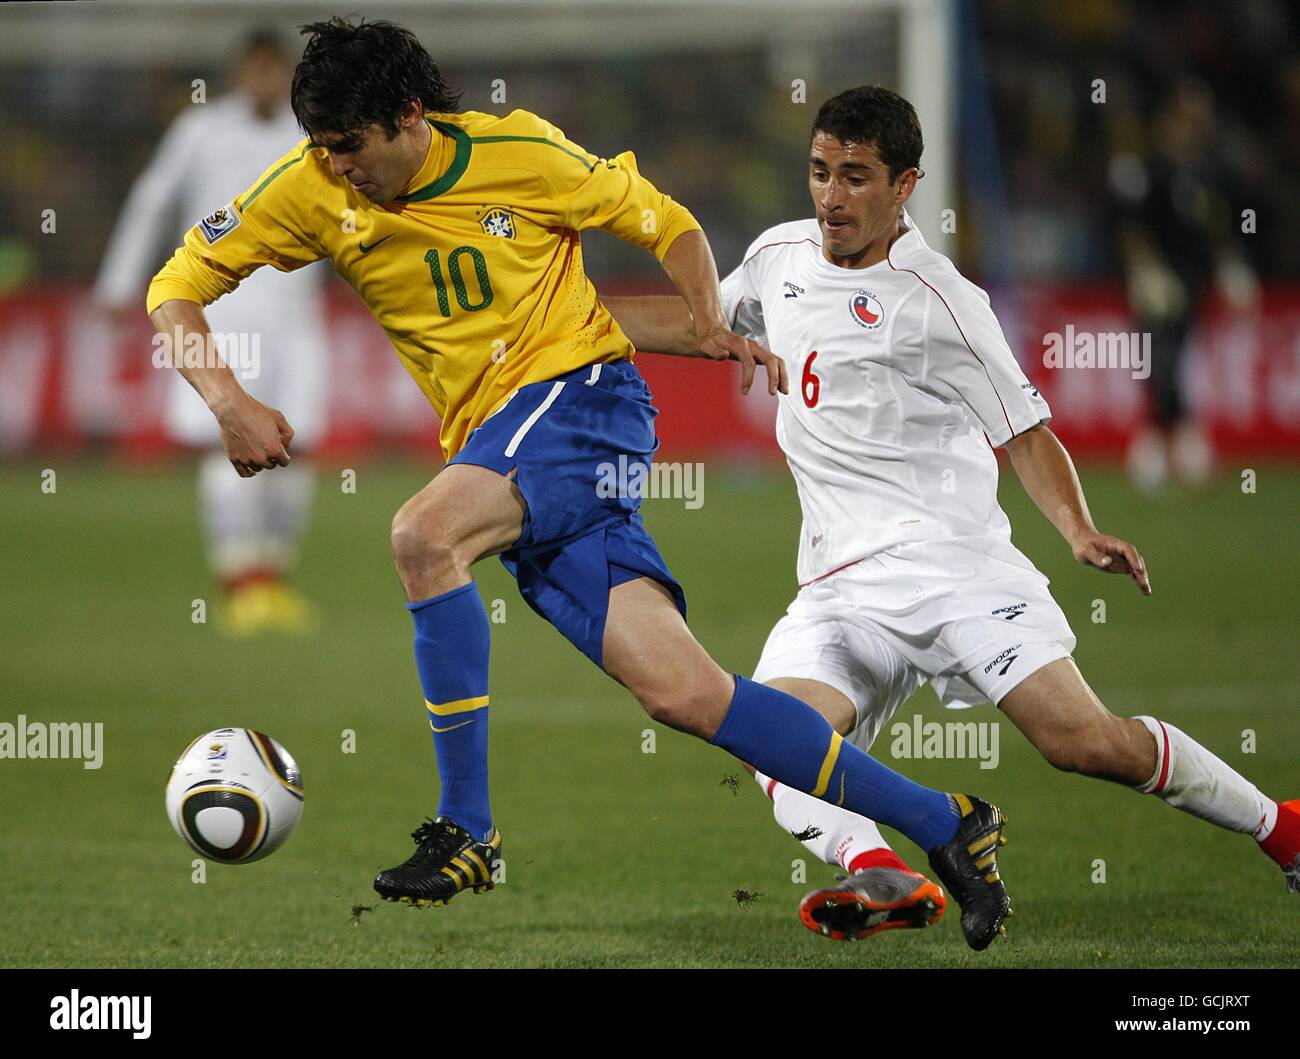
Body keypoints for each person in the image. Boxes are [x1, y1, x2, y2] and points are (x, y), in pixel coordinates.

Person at [145, 19, 1014, 951]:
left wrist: (703, 315)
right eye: (320, 147)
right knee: (687, 693)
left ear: (407, 116)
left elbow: (665, 221)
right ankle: (947, 820)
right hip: (505, 441)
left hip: (581, 398)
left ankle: (467, 827)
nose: (336, 167)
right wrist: (226, 396)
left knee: (421, 536)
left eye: (349, 147)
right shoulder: (311, 187)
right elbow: (174, 286)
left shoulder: (520, 152)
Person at [606, 85, 1298, 943]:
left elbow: (1025, 429)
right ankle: (880, 871)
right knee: (772, 734)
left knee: (1083, 742)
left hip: (953, 568)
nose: (831, 195)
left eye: (855, 177)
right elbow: (702, 323)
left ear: (905, 186)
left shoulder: (939, 300)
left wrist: (1079, 530)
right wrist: (568, 321)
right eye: (820, 172)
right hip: (836, 587)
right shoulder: (781, 255)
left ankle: (1281, 827)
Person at [96, 28, 327, 635]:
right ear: (237, 73)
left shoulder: (310, 133)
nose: (265, 82)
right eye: (255, 70)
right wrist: (120, 286)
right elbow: (153, 200)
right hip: (221, 313)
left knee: (296, 447)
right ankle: (235, 581)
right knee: (226, 444)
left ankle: (273, 579)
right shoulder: (200, 130)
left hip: (297, 316)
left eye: (275, 71)